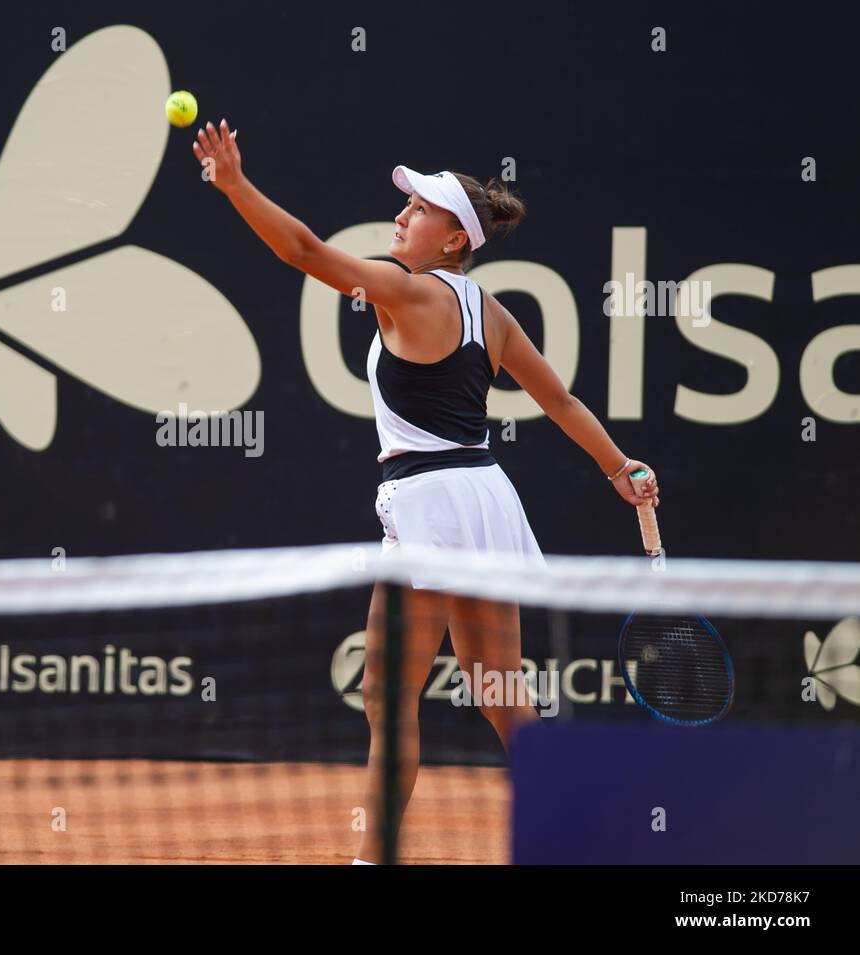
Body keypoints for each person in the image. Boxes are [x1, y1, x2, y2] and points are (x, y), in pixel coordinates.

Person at [191, 120, 659, 864]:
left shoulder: (406, 292)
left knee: (386, 697)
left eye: (420, 209)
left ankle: (374, 858)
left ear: (452, 240)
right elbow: (562, 402)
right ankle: (590, 832)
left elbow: (304, 251)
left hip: (431, 502)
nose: (402, 214)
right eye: (405, 204)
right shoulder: (490, 312)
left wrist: (235, 185)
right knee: (505, 698)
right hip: (483, 496)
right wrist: (620, 469)